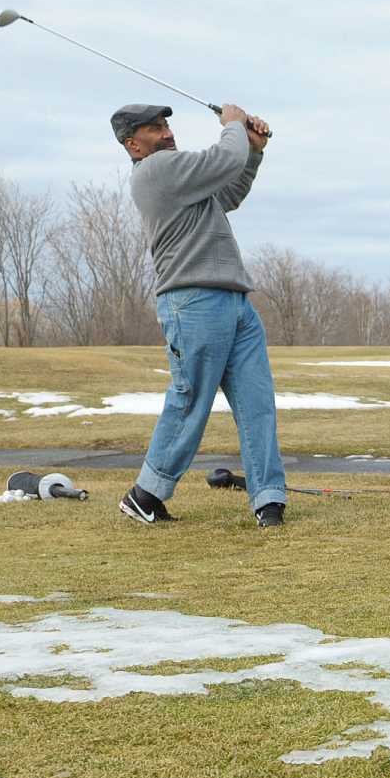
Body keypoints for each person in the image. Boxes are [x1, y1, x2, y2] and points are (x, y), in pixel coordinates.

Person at [110, 101, 288, 528]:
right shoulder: (155, 172)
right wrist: (233, 125)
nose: (166, 132)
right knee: (190, 401)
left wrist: (254, 149)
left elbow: (228, 192)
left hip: (234, 301)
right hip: (192, 302)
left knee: (257, 403)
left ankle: (268, 500)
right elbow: (224, 158)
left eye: (166, 124)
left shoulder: (183, 178)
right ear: (134, 145)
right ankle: (145, 495)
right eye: (153, 129)